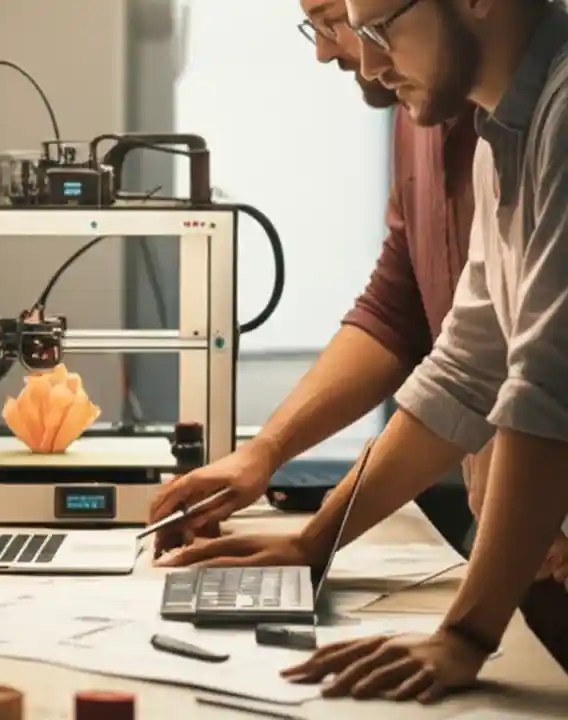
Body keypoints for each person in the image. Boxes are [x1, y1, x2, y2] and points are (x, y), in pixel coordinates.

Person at [162, 0, 568, 698]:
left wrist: (464, 636)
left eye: (379, 28)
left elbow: (546, 393)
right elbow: (462, 372)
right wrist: (316, 540)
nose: (369, 61)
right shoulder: (502, 128)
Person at [149, 0, 479, 551]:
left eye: (342, 22)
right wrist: (265, 451)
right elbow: (399, 315)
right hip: (510, 525)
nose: (334, 50)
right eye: (321, 26)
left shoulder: (532, 124)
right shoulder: (416, 111)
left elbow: (497, 373)